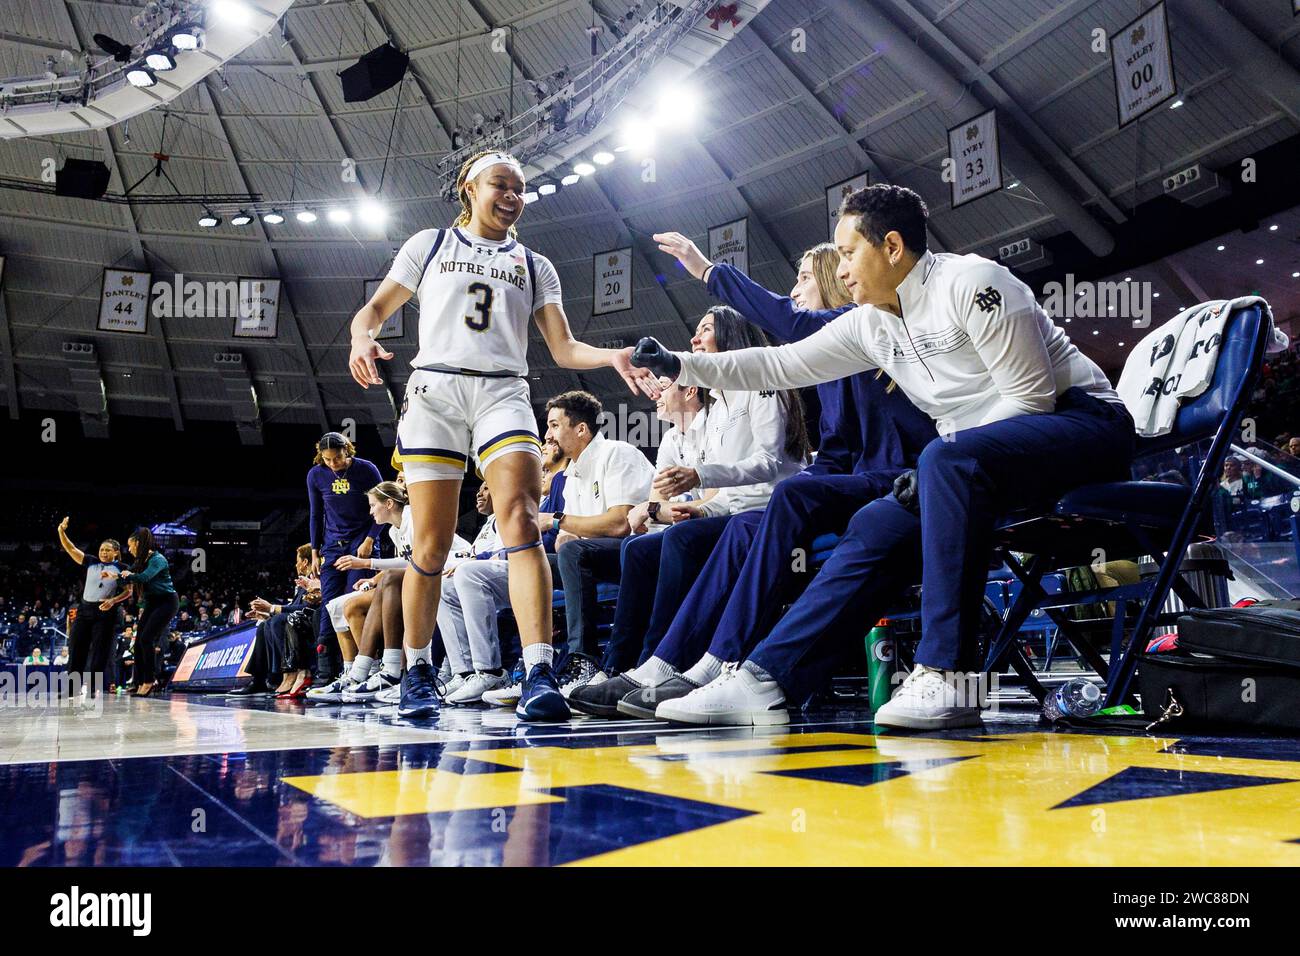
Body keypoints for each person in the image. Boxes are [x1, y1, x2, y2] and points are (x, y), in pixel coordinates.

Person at [629, 183, 1134, 729]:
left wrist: (942, 458)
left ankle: (949, 676)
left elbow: (1030, 399)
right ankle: (768, 678)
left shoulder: (975, 282)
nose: (841, 270)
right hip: (970, 465)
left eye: (848, 254)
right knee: (876, 521)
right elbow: (781, 365)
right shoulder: (872, 323)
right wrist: (681, 366)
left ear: (891, 246)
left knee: (943, 461)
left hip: (1082, 426)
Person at [574, 235, 935, 719]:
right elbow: (834, 455)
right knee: (748, 523)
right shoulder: (827, 361)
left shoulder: (862, 326)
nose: (794, 289)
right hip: (849, 488)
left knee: (776, 499)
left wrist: (707, 271)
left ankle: (721, 662)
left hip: (902, 479)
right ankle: (679, 664)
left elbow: (782, 336)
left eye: (804, 278)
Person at [347, 149, 651, 721]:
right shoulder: (429, 245)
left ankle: (537, 670)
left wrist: (612, 355)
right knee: (431, 544)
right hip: (435, 393)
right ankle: (415, 672)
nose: (513, 196)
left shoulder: (536, 264)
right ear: (469, 188)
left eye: (520, 189)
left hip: (503, 393)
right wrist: (362, 339)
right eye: (501, 185)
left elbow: (562, 348)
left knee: (521, 522)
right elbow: (373, 312)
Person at [577, 306, 810, 695]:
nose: (694, 339)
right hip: (735, 511)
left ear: (732, 336)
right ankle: (622, 664)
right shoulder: (718, 407)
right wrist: (701, 507)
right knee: (639, 551)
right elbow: (724, 492)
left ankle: (661, 662)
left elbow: (770, 465)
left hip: (773, 513)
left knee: (680, 539)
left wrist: (700, 485)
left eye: (705, 330)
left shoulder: (764, 383)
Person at [542, 390, 656, 664]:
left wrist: (557, 521)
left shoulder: (617, 453)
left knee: (575, 554)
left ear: (581, 429)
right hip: (597, 555)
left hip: (643, 552)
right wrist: (565, 536)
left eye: (555, 425)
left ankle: (583, 659)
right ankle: (537, 664)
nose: (548, 435)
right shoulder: (571, 475)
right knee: (533, 564)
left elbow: (619, 523)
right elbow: (574, 532)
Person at [307, 432, 384, 684]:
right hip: (332, 544)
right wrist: (316, 551)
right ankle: (333, 669)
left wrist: (371, 538)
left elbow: (383, 505)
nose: (333, 463)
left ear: (347, 451)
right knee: (331, 605)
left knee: (354, 601)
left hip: (361, 540)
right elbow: (316, 514)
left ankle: (368, 664)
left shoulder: (367, 470)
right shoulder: (316, 474)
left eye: (337, 458)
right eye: (328, 459)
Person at [55, 517, 125, 698]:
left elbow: (130, 591)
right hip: (84, 611)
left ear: (116, 552)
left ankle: (94, 688)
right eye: (101, 549)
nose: (103, 552)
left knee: (100, 652)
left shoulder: (123, 568)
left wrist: (114, 600)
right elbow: (70, 548)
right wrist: (61, 531)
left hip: (105, 612)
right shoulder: (91, 561)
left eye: (107, 550)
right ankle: (72, 689)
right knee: (76, 648)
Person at [117, 527, 179, 698]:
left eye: (130, 546)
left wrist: (126, 575)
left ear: (138, 543)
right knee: (138, 643)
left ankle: (149, 681)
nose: (128, 549)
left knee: (146, 639)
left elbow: (144, 577)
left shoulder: (158, 559)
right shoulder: (141, 560)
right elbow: (130, 574)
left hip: (166, 602)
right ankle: (138, 681)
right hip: (152, 603)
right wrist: (116, 576)